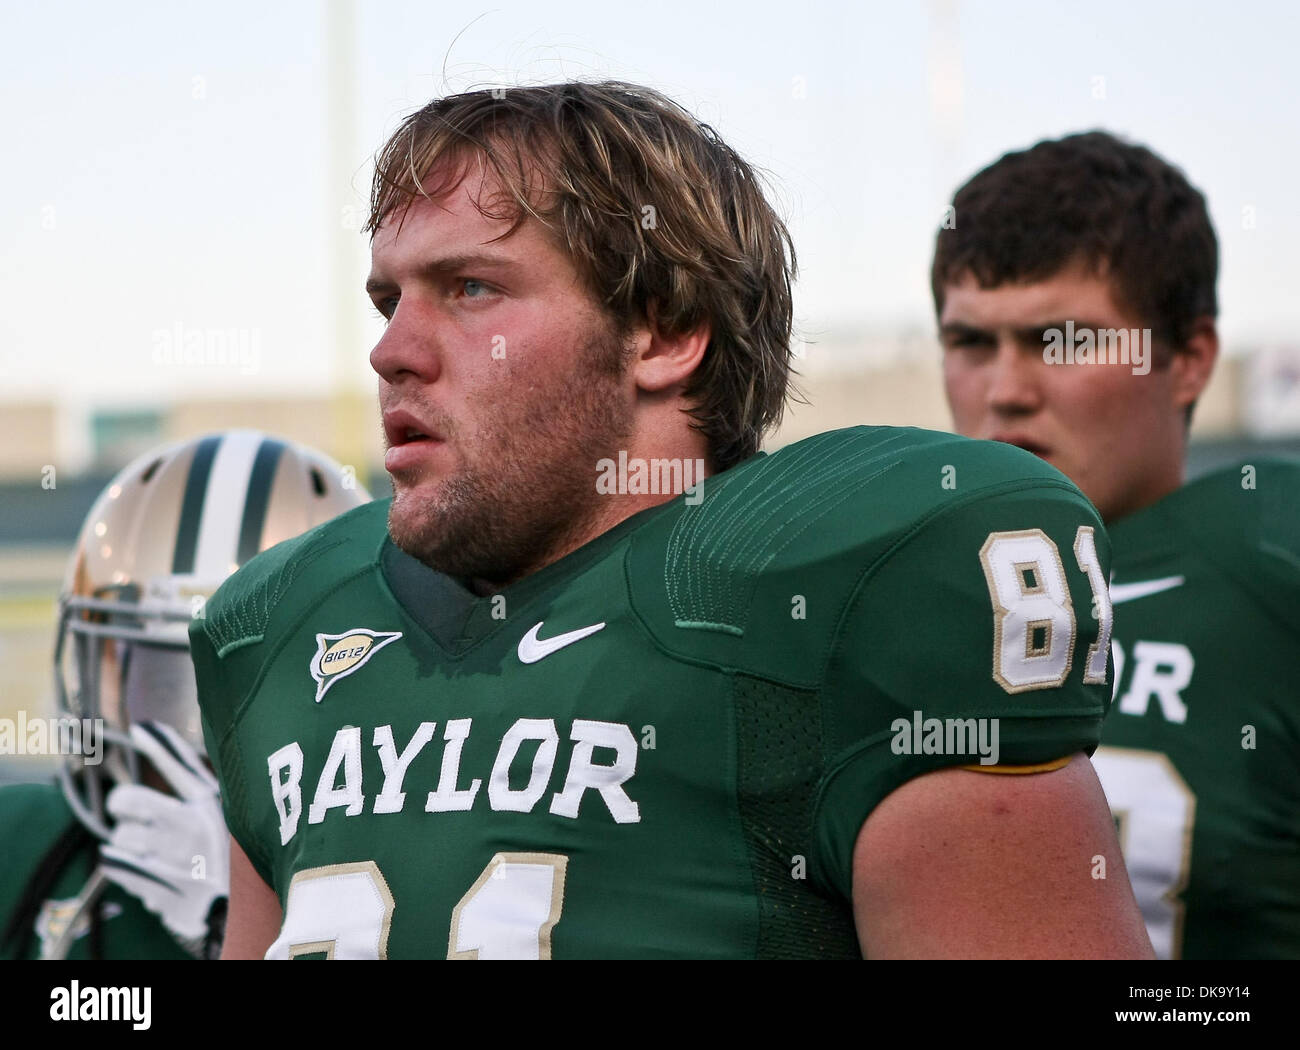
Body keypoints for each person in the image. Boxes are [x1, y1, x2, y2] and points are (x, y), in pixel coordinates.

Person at [193, 81, 1150, 960]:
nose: (393, 351)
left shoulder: (835, 595)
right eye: (387, 301)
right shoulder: (284, 634)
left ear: (662, 332)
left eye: (471, 289)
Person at [934, 130, 1300, 959]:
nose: (1006, 392)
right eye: (971, 343)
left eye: (1063, 341)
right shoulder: (895, 593)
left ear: (1191, 359)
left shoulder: (1271, 569)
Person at [0, 431, 369, 959]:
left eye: (247, 687)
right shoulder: (20, 844)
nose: (201, 744)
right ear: (102, 679)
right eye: (168, 684)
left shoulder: (395, 865)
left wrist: (238, 925)